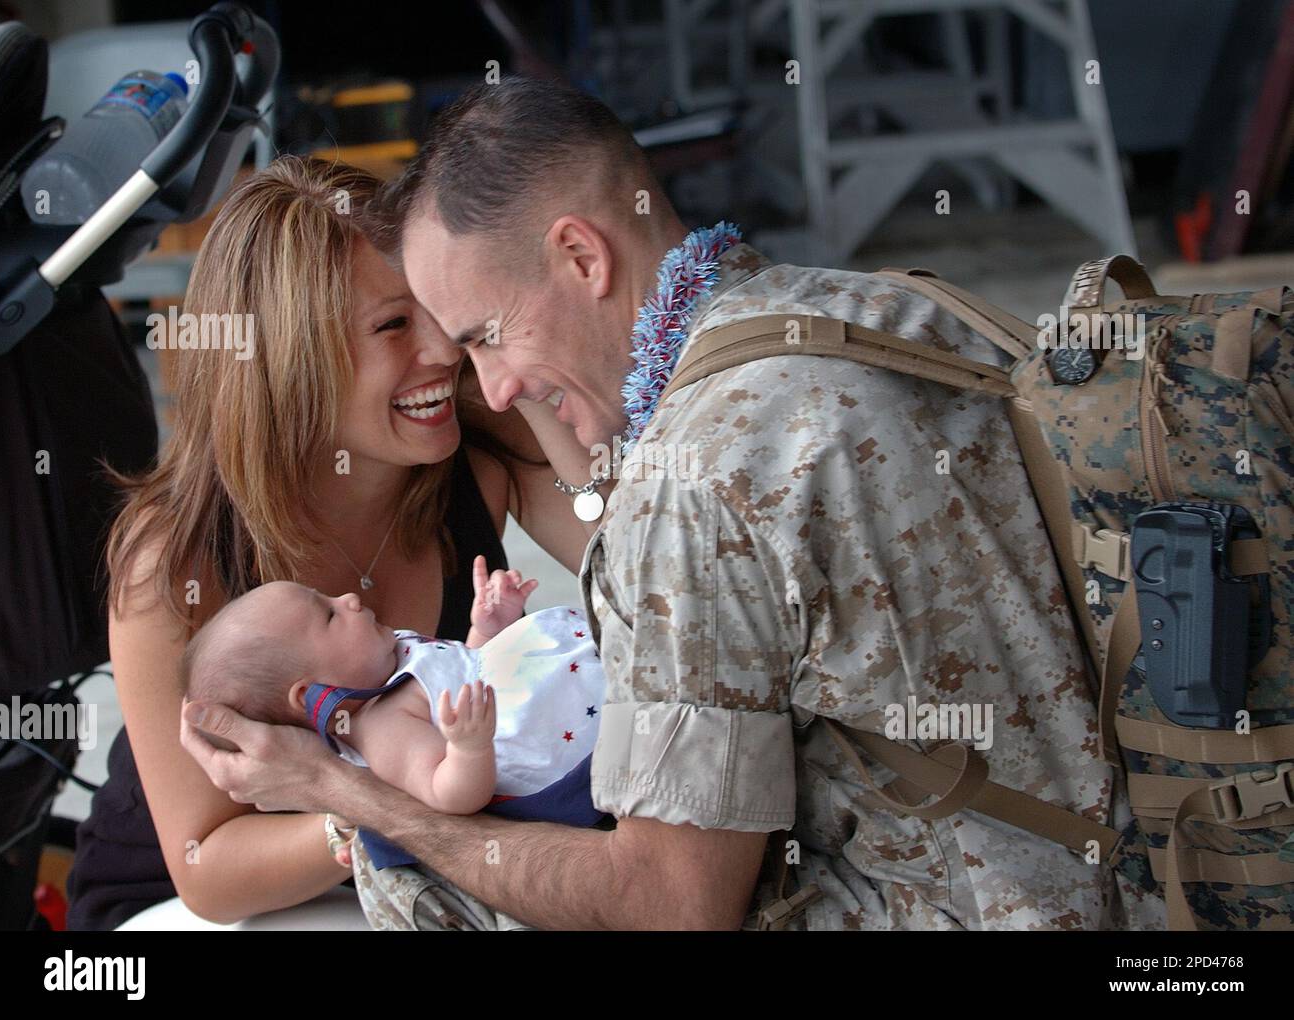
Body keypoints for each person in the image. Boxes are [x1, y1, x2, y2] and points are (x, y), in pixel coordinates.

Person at [181, 79, 1166, 930]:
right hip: (1146, 876)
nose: (489, 383)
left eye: (483, 335)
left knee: (415, 876)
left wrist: (350, 795)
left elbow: (666, 906)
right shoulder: (879, 305)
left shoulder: (685, 492)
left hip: (956, 908)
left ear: (582, 257)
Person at [66, 155, 602, 930]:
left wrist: (526, 384)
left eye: (432, 306)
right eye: (393, 325)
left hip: (412, 859)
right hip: (194, 901)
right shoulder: (176, 560)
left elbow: (638, 560)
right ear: (290, 363)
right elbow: (204, 873)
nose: (445, 350)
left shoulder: (472, 453)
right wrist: (363, 806)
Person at [180, 560, 604, 826]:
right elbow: (450, 795)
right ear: (311, 693)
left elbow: (466, 673)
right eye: (328, 616)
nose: (346, 598)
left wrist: (488, 630)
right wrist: (469, 748)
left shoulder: (393, 662)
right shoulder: (382, 728)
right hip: (568, 744)